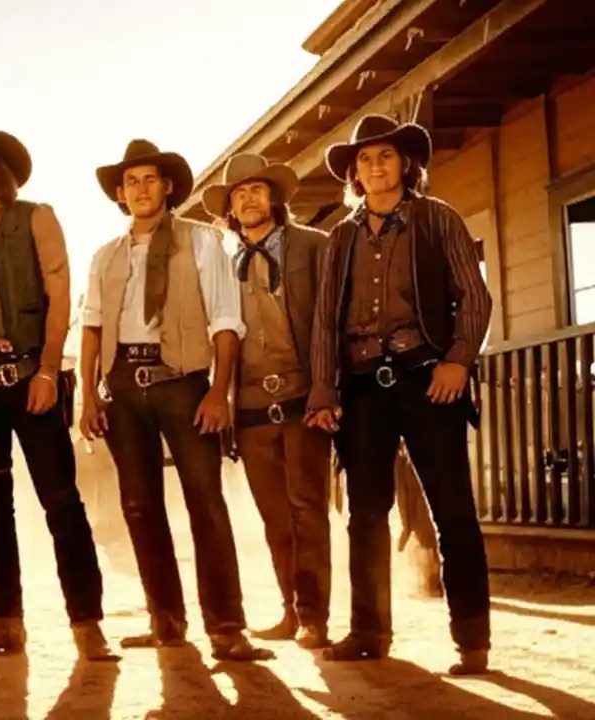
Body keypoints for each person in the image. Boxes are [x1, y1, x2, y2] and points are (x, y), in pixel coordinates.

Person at [305, 114, 493, 675]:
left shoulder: (438, 220)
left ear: (406, 164)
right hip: (362, 388)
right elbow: (323, 321)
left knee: (452, 511)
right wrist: (323, 389)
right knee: (365, 515)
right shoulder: (341, 236)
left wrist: (458, 361)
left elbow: (474, 296)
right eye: (364, 160)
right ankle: (368, 631)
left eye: (385, 156)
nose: (375, 166)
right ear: (355, 174)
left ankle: (473, 641)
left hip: (429, 377)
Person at [0, 119, 118, 661]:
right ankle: (5, 621)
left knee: (61, 500)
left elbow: (60, 293)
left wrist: (46, 371)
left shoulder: (38, 218)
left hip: (32, 375)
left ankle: (87, 624)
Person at [77, 139, 273, 661]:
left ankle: (227, 627)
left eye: (149, 180)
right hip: (122, 387)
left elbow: (226, 322)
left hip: (184, 382)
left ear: (166, 187)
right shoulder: (105, 257)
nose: (141, 189)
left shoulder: (203, 243)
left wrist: (218, 392)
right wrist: (88, 397)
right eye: (131, 182)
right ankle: (165, 619)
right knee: (139, 506)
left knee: (205, 501)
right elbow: (93, 327)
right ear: (121, 193)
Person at [200, 152, 333, 648]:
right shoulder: (222, 264)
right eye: (239, 194)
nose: (249, 199)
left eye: (257, 189)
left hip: (303, 394)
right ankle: (291, 611)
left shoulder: (313, 247)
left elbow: (328, 322)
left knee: (307, 509)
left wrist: (327, 388)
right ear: (231, 208)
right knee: (274, 515)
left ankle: (316, 617)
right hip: (251, 403)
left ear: (274, 198)